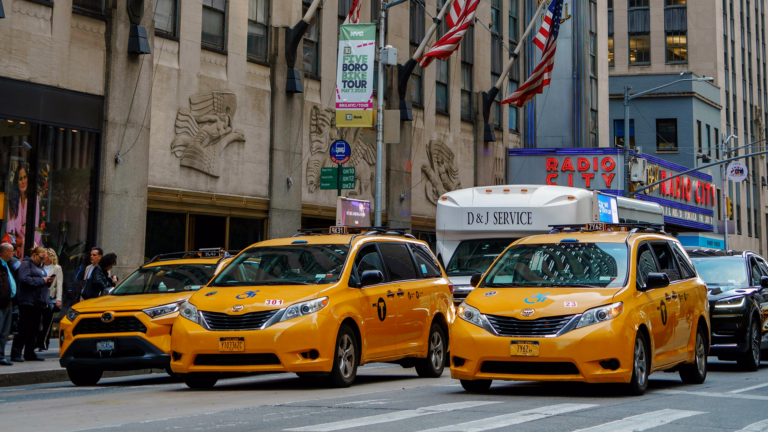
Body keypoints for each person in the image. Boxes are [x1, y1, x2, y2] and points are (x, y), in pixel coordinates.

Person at [10, 247, 54, 362]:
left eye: (43, 258)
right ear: (34, 255)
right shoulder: (25, 264)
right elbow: (24, 280)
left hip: (37, 302)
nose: (42, 260)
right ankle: (16, 353)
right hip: (27, 301)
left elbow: (39, 281)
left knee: (34, 329)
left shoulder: (39, 267)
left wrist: (48, 281)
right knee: (23, 328)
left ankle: (29, 352)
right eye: (40, 257)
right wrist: (43, 280)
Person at [5, 165, 42, 256]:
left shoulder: (33, 199)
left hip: (32, 247)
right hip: (15, 249)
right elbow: (10, 230)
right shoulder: (13, 201)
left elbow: (35, 227)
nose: (23, 181)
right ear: (16, 182)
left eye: (25, 177)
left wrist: (24, 242)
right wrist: (17, 242)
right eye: (20, 178)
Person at [37, 248, 62, 351]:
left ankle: (44, 342)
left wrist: (59, 299)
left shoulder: (57, 268)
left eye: (45, 254)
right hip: (40, 298)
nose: (43, 255)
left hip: (51, 297)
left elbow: (59, 284)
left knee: (48, 322)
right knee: (38, 321)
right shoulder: (40, 266)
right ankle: (38, 341)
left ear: (50, 256)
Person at [0, 243, 16, 366]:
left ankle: (1, 356)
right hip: (1, 303)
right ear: (5, 252)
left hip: (8, 303)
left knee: (5, 332)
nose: (13, 253)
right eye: (11, 251)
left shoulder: (8, 265)